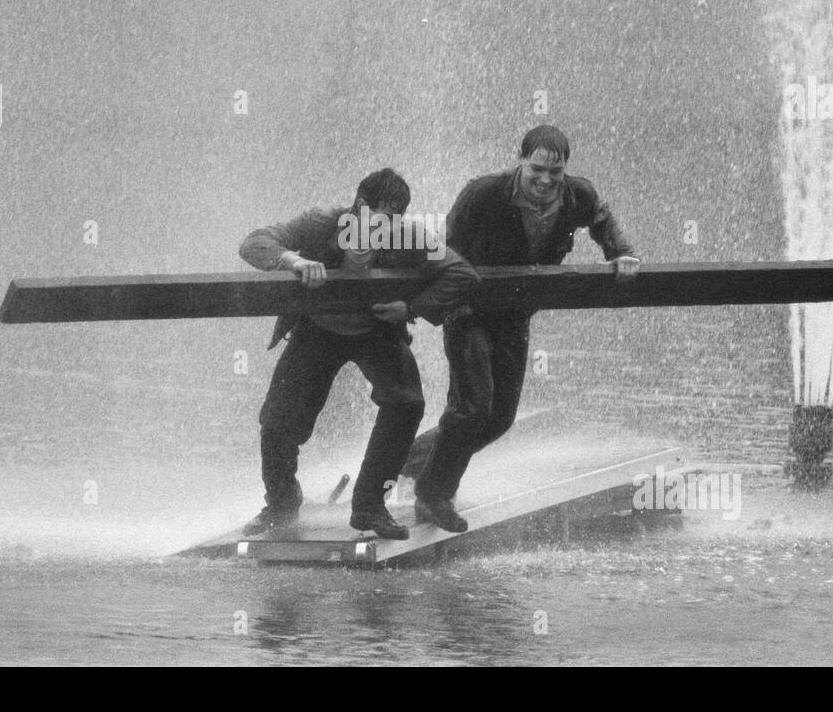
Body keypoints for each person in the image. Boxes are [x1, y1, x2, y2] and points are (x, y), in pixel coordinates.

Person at [407, 125, 640, 533]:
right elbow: (444, 250)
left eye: (557, 171)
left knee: (498, 418)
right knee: (473, 406)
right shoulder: (482, 193)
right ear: (520, 160)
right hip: (471, 311)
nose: (546, 180)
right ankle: (432, 494)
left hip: (516, 314)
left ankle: (410, 460)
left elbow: (602, 220)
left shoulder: (577, 195)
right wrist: (438, 302)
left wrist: (621, 253)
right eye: (537, 169)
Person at [238, 168, 480, 540]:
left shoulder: (409, 235)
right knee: (277, 421)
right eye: (382, 218)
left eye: (396, 220)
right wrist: (293, 261)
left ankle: (370, 505)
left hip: (376, 330)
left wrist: (410, 307)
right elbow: (253, 243)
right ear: (360, 205)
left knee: (407, 403)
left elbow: (463, 274)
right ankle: (281, 502)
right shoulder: (320, 223)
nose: (389, 228)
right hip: (318, 328)